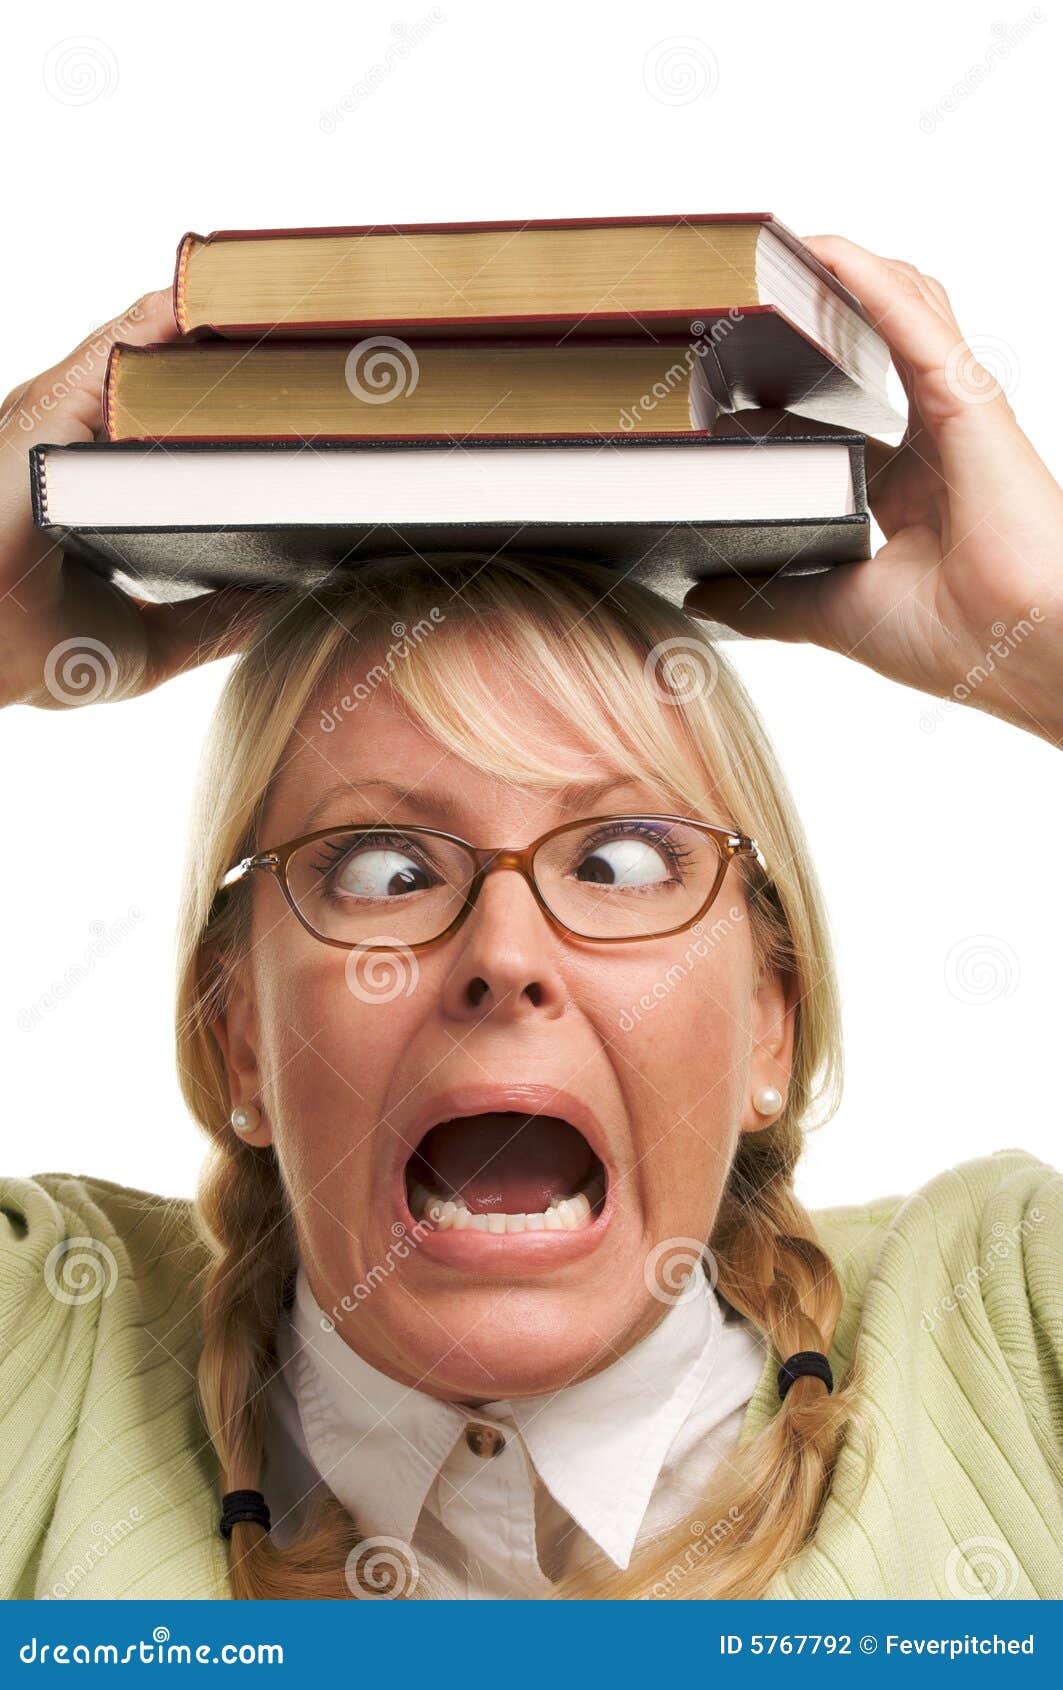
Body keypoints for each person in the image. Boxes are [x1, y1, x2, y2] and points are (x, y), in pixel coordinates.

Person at [1, 239, 1060, 1603]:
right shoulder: (44, 1349)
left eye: (619, 860)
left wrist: (1047, 639)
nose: (504, 957)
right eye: (385, 870)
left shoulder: (1010, 1327)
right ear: (236, 1035)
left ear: (771, 1023)